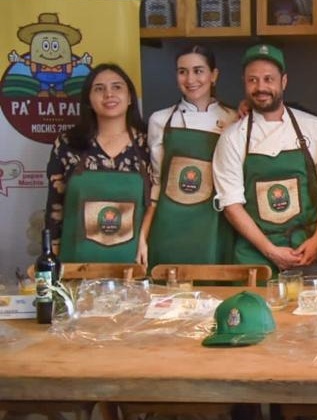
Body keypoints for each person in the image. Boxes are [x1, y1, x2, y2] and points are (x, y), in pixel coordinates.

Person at [212, 44, 317, 273]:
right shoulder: (233, 137)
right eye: (253, 80)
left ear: (283, 82)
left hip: (307, 249)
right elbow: (231, 205)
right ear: (244, 82)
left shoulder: (313, 127)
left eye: (268, 79)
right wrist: (270, 250)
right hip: (254, 256)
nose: (261, 87)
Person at [137, 45, 238, 269]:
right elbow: (157, 182)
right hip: (170, 222)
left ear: (214, 75)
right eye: (182, 71)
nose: (190, 79)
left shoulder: (233, 119)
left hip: (214, 222)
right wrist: (143, 235)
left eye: (198, 71)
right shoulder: (160, 120)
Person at [45, 63, 150, 263]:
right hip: (77, 264)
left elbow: (156, 204)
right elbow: (54, 208)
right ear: (88, 101)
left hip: (134, 264)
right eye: (99, 89)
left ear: (130, 98)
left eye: (117, 87)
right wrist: (52, 259)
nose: (108, 94)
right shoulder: (67, 144)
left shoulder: (149, 144)